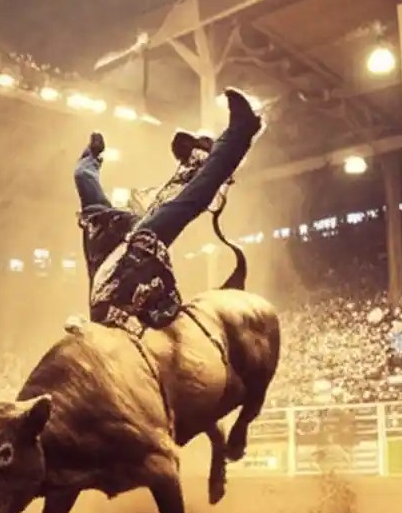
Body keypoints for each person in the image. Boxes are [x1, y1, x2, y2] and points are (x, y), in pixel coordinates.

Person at [72, 87, 263, 335]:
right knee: (191, 199)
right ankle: (240, 133)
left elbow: (84, 179)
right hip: (135, 248)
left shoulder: (97, 231)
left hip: (114, 239)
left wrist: (91, 156)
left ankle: (232, 139)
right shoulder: (117, 311)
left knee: (82, 175)